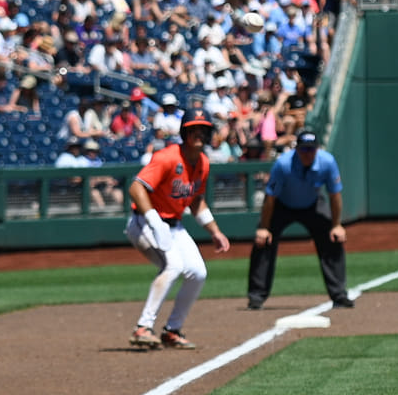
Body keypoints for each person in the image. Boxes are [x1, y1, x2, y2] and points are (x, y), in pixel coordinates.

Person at [125, 115, 231, 349]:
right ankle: (143, 327)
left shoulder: (203, 162)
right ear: (185, 133)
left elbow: (195, 201)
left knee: (198, 272)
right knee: (173, 266)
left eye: (204, 131)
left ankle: (172, 330)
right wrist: (154, 221)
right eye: (194, 130)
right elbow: (136, 187)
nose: (199, 135)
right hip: (146, 220)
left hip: (174, 225)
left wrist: (215, 231)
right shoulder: (167, 157)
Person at [247, 130, 354, 310]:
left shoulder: (327, 162)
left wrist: (336, 225)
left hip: (312, 203)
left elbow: (335, 195)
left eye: (311, 150)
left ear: (317, 149)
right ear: (296, 149)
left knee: (332, 239)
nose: (307, 154)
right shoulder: (283, 164)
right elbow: (270, 198)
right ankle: (256, 297)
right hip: (282, 204)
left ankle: (339, 295)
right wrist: (264, 228)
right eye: (304, 149)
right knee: (263, 242)